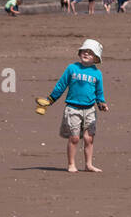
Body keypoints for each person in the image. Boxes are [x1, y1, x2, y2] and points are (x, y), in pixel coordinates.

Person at [39, 39, 109, 174]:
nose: (86, 54)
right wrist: (50, 100)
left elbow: (99, 92)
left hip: (90, 109)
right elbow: (61, 85)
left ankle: (89, 164)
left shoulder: (97, 74)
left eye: (90, 52)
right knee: (74, 138)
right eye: (84, 51)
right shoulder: (72, 68)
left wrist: (102, 104)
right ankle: (71, 164)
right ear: (80, 53)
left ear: (96, 58)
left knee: (89, 138)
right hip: (72, 108)